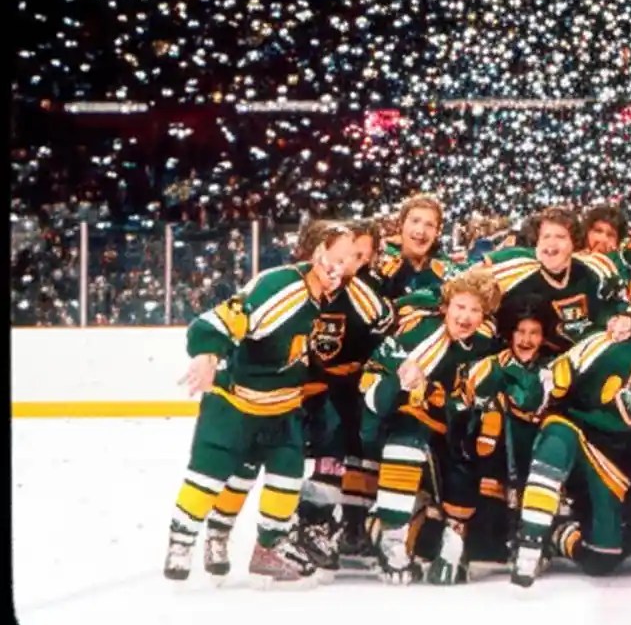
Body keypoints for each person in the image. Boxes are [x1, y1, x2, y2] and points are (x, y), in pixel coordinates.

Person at [164, 221, 358, 587]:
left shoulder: (325, 293)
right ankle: (182, 540)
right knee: (209, 475)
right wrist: (206, 353)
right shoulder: (281, 287)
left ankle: (268, 547)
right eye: (339, 256)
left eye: (350, 259)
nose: (344, 266)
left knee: (287, 474)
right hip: (234, 406)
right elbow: (223, 318)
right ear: (316, 252)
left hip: (282, 410)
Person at [199, 218, 394, 582]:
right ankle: (218, 529)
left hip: (328, 395)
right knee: (249, 463)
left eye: (360, 256)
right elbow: (242, 324)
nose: (354, 263)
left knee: (328, 461)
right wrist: (213, 356)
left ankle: (306, 530)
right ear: (317, 253)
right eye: (349, 254)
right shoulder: (281, 285)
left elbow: (385, 333)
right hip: (275, 394)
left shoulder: (364, 297)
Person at [508, 288, 631, 587]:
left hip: (614, 467)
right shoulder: (609, 341)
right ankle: (530, 539)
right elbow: (551, 379)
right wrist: (547, 385)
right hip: (578, 436)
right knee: (558, 436)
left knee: (603, 558)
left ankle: (559, 535)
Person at [358, 268, 502, 584]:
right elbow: (374, 382)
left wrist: (449, 403)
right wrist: (400, 377)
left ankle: (453, 537)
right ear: (446, 306)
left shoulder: (482, 346)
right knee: (406, 441)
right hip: (390, 422)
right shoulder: (419, 331)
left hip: (443, 432)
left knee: (468, 456)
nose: (466, 316)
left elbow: (471, 400)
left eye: (475, 310)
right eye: (460, 307)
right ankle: (392, 538)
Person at [446, 294, 558, 566]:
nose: (526, 340)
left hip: (537, 458)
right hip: (490, 462)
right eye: (520, 331)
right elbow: (458, 411)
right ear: (509, 332)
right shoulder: (489, 366)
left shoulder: (554, 369)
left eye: (534, 333)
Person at [477, 206, 631, 355]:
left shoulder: (598, 268)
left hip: (588, 360)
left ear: (574, 244)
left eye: (560, 237)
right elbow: (467, 290)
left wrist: (624, 318)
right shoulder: (513, 274)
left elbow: (620, 304)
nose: (551, 243)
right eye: (546, 236)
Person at [377, 194, 462, 300]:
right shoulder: (379, 264)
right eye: (415, 221)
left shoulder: (447, 270)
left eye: (429, 225)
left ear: (437, 232)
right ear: (401, 224)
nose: (420, 231)